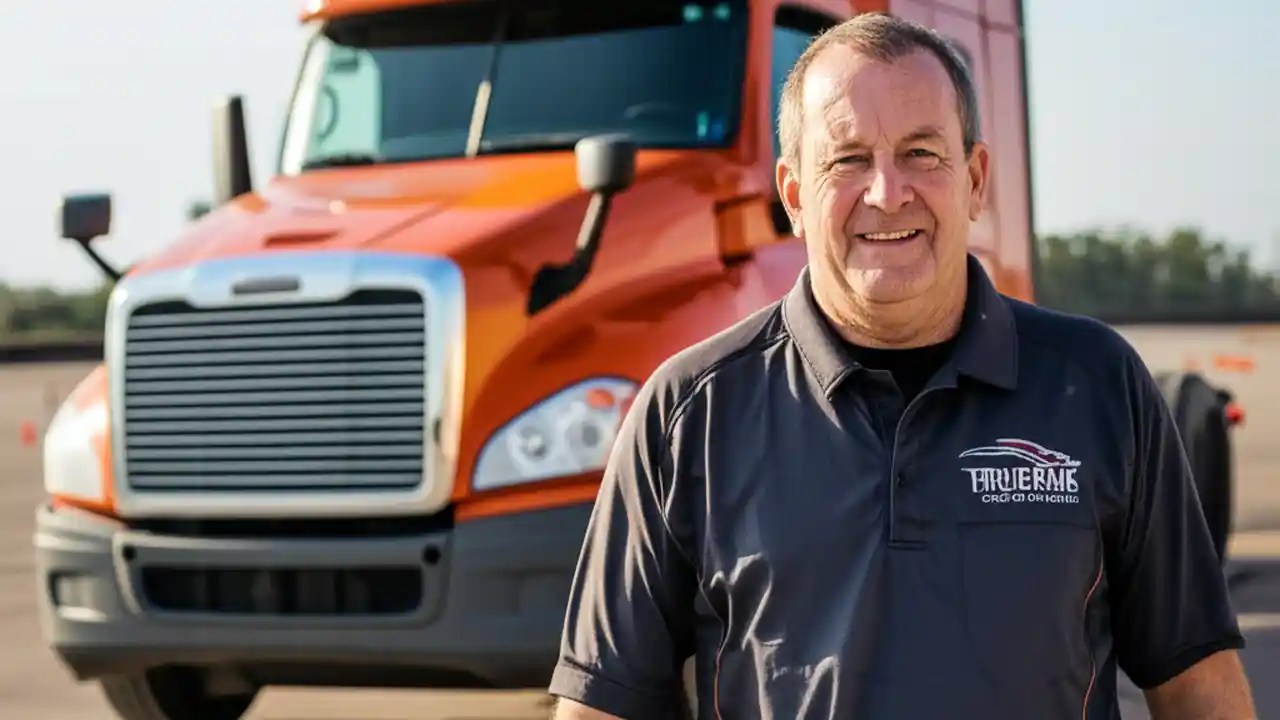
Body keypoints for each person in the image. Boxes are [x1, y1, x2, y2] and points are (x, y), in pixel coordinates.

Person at [548, 12, 1255, 719]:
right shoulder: (688, 414)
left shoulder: (1100, 385)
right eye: (848, 159)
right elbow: (603, 706)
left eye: (922, 153)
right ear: (794, 194)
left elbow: (1197, 680)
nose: (887, 193)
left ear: (976, 179)